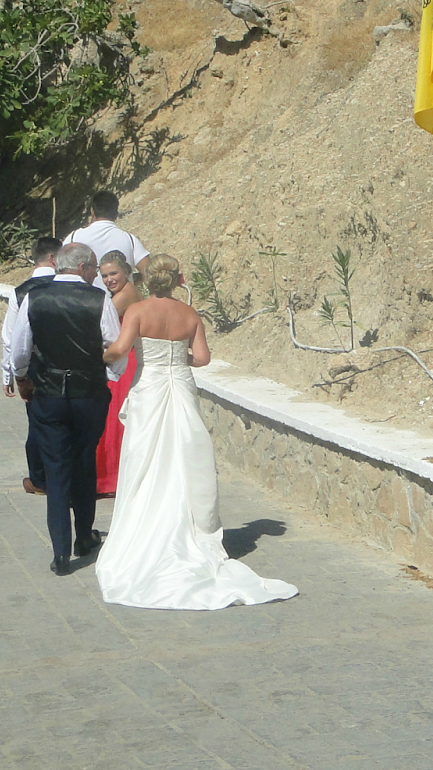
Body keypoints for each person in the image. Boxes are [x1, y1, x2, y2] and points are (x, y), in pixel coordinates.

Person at [95, 254, 297, 610]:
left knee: (145, 457)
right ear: (177, 280)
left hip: (149, 389)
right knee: (184, 455)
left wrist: (101, 354)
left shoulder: (137, 311)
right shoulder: (190, 315)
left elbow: (121, 350)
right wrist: (177, 358)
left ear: (146, 280)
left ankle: (146, 525)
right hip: (180, 387)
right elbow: (202, 358)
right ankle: (189, 528)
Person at [0, 242, 120, 575]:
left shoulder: (35, 297)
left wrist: (21, 377)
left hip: (48, 393)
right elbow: (114, 345)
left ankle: (61, 553)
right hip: (88, 393)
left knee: (56, 471)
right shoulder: (98, 299)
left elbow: (20, 347)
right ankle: (84, 536)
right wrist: (109, 375)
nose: (96, 274)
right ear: (81, 267)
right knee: (84, 462)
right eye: (93, 267)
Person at [1, 236, 61, 496]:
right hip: (69, 364)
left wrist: (10, 374)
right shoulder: (72, 287)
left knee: (37, 422)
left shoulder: (20, 292)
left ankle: (40, 478)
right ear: (53, 258)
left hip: (35, 368)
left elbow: (11, 339)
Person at [94, 250, 140, 496]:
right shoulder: (127, 292)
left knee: (113, 420)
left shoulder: (124, 296)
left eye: (114, 273)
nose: (109, 279)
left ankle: (110, 478)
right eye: (104, 275)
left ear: (127, 272)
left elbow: (98, 323)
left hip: (123, 361)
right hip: (126, 358)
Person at [65, 190, 150, 274]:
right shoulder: (130, 240)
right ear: (116, 214)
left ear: (92, 211)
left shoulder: (73, 238)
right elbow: (150, 273)